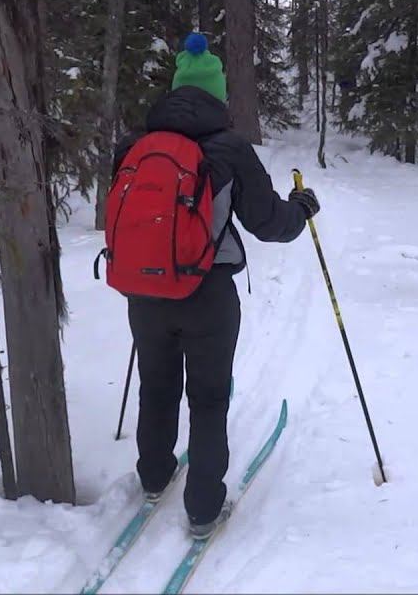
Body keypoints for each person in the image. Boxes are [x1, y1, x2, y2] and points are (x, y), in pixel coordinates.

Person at [111, 32, 319, 539]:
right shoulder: (229, 148)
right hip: (207, 293)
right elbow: (268, 222)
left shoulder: (134, 145)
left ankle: (154, 475)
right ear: (218, 94)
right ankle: (203, 509)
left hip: (144, 291)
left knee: (157, 385)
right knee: (208, 398)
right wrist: (302, 209)